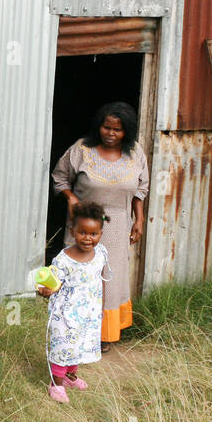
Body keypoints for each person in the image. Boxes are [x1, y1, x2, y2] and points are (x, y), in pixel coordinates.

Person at [51, 101, 148, 351]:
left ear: (127, 131)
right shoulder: (81, 149)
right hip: (84, 225)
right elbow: (60, 177)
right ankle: (74, 331)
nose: (111, 133)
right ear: (99, 126)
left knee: (109, 279)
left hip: (117, 227)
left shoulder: (135, 152)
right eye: (106, 127)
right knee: (81, 278)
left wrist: (139, 219)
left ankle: (104, 334)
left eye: (118, 129)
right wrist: (72, 198)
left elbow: (141, 189)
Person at [36, 200, 110, 403]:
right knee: (63, 347)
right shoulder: (63, 259)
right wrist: (47, 290)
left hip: (89, 313)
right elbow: (54, 284)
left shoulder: (101, 254)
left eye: (93, 234)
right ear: (73, 231)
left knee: (80, 345)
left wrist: (101, 308)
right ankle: (56, 384)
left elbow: (101, 280)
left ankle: (70, 377)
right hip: (66, 314)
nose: (88, 238)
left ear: (100, 234)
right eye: (82, 232)